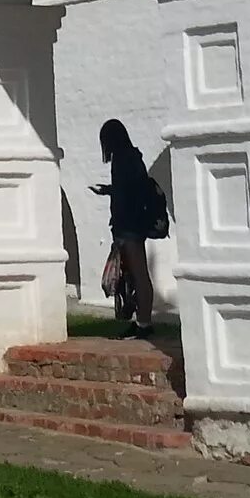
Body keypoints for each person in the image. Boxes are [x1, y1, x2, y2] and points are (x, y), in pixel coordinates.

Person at [92, 118, 167, 336]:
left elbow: (127, 195)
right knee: (136, 275)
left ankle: (144, 323)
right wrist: (109, 190)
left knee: (139, 275)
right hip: (132, 225)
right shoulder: (132, 158)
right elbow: (130, 190)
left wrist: (120, 225)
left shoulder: (123, 159)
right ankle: (142, 320)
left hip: (129, 227)